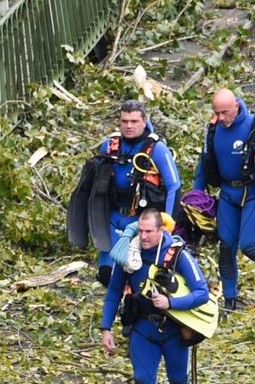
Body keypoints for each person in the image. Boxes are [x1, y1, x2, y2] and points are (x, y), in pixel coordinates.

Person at [100, 209, 210, 384]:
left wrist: (171, 302)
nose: (144, 236)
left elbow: (202, 292)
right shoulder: (128, 254)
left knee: (178, 382)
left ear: (162, 230)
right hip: (142, 329)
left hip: (173, 331)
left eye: (150, 231)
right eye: (141, 231)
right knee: (142, 382)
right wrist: (106, 328)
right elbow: (114, 291)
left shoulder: (177, 254)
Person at [194, 89, 255, 312]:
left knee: (249, 245)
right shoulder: (213, 128)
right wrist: (196, 197)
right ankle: (230, 300)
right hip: (228, 193)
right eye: (216, 113)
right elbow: (204, 164)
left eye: (225, 113)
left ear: (236, 106)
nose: (220, 118)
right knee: (226, 246)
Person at [69, 100, 180, 285]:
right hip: (113, 220)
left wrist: (167, 223)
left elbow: (174, 187)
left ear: (144, 121)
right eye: (124, 121)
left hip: (140, 223)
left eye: (134, 121)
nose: (129, 126)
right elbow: (92, 185)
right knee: (107, 276)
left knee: (138, 278)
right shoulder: (109, 146)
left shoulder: (156, 150)